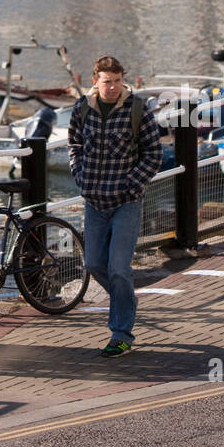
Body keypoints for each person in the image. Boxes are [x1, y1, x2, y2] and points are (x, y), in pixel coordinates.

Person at [68, 55, 162, 357]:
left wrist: (132, 183)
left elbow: (154, 155)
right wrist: (80, 178)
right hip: (94, 202)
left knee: (119, 268)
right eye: (107, 81)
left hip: (126, 202)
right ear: (95, 81)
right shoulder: (82, 109)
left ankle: (121, 334)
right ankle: (127, 302)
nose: (112, 87)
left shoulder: (138, 110)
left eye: (118, 81)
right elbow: (75, 147)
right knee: (94, 263)